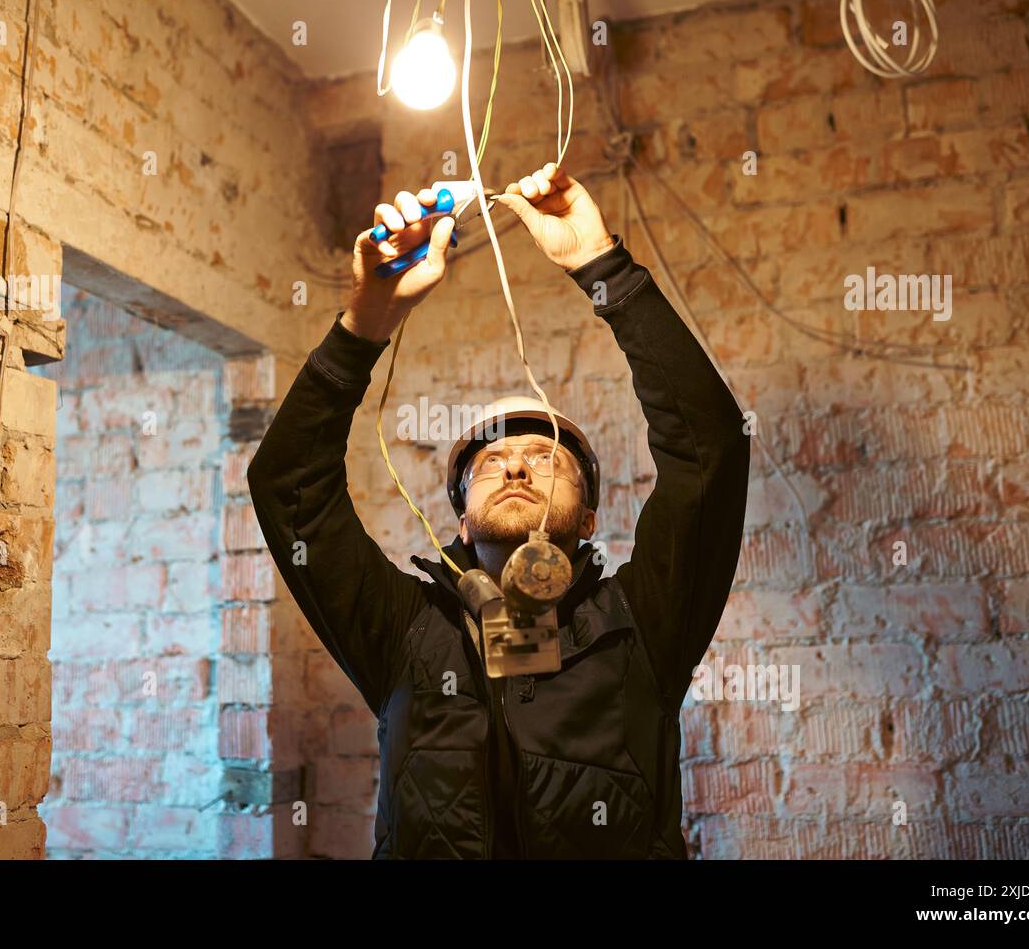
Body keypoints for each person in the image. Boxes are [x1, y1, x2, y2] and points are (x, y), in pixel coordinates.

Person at [247, 162, 750, 858]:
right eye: (488, 462)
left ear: (587, 518)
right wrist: (366, 321)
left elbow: (711, 454)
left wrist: (604, 267)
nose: (514, 463)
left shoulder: (644, 624)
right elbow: (288, 489)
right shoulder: (403, 634)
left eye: (547, 458)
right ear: (458, 518)